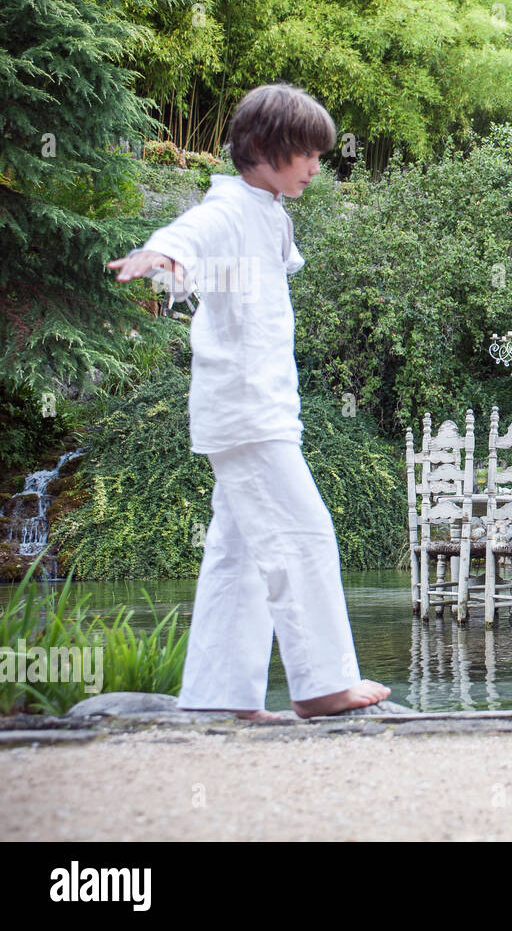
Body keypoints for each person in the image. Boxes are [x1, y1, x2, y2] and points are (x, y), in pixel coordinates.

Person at [106, 83, 390, 721]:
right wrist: (163, 256)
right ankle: (321, 685)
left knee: (237, 556)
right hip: (246, 411)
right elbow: (193, 231)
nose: (319, 165)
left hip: (256, 409)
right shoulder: (229, 207)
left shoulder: (267, 209)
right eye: (308, 154)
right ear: (264, 149)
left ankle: (215, 698)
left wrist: (183, 263)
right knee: (303, 533)